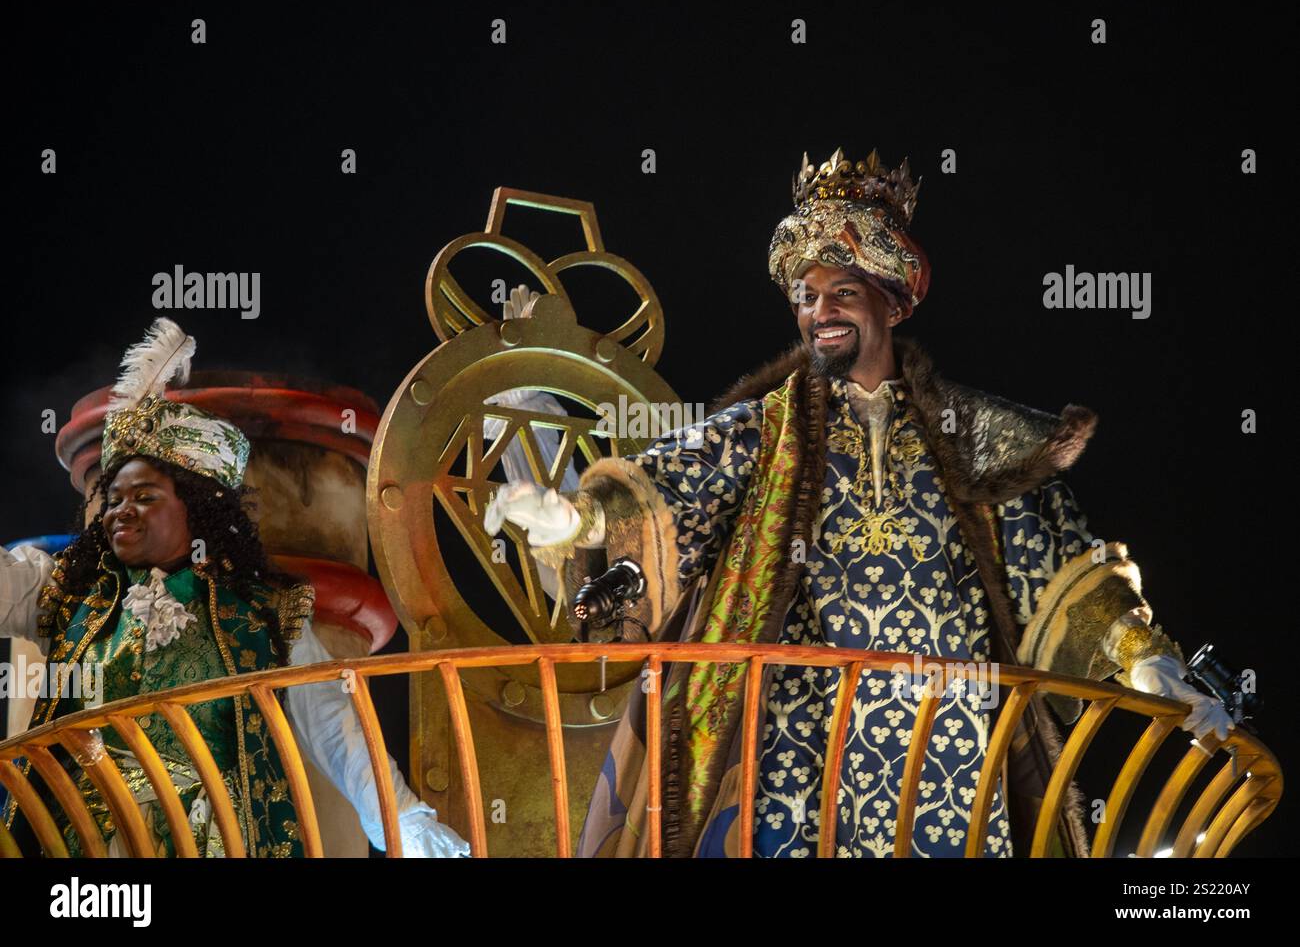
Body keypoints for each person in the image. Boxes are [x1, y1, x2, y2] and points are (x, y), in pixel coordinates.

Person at [483, 147, 1234, 858]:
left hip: (953, 759)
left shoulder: (968, 435)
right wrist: (574, 519)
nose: (821, 311)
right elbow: (674, 494)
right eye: (806, 297)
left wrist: (1149, 664)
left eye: (843, 291)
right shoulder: (765, 432)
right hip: (803, 761)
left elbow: (1056, 564)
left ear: (893, 303)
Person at [1, 317, 469, 857]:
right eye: (113, 499)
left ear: (197, 512)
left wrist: (405, 823)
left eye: (144, 497)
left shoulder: (264, 613)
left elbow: (333, 726)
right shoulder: (62, 592)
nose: (119, 513)